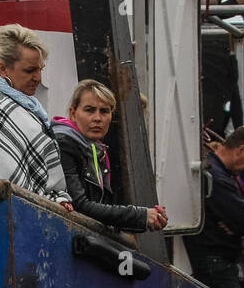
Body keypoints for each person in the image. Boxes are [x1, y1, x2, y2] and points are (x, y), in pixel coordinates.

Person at [0, 25, 73, 207]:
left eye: (41, 69)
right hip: (11, 216)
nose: (38, 78)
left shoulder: (28, 106)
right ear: (3, 68)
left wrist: (57, 198)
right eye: (30, 70)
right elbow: (1, 180)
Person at [51, 79, 167, 232]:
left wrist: (149, 218)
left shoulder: (96, 149)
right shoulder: (64, 143)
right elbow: (79, 205)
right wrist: (141, 216)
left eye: (104, 111)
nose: (97, 118)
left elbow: (102, 211)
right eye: (89, 110)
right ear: (73, 113)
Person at [183, 127, 244, 288]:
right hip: (216, 261)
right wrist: (233, 224)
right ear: (242, 150)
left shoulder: (215, 170)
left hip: (214, 258)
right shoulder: (218, 178)